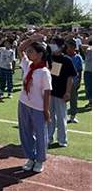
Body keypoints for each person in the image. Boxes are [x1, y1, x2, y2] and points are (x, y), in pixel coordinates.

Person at [17, 35, 52, 173]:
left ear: (40, 54)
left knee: (40, 133)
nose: (29, 53)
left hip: (38, 107)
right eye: (29, 51)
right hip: (24, 103)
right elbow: (20, 49)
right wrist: (32, 39)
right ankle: (30, 157)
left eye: (32, 51)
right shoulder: (28, 65)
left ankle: (40, 160)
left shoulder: (44, 72)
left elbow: (47, 92)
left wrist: (46, 110)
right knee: (25, 132)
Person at [48, 36, 76, 147]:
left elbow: (70, 78)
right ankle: (49, 138)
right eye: (51, 43)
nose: (52, 45)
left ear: (61, 46)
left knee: (61, 117)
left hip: (61, 93)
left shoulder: (66, 60)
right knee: (49, 117)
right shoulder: (48, 58)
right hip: (49, 92)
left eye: (54, 44)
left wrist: (68, 92)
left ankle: (62, 140)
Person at [65, 39, 83, 123]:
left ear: (73, 47)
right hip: (63, 82)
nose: (67, 49)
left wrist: (79, 81)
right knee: (62, 100)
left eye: (69, 47)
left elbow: (80, 70)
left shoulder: (78, 57)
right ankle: (62, 116)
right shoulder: (64, 57)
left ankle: (72, 116)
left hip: (74, 82)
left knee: (73, 99)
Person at [83, 40, 92, 109]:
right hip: (89, 70)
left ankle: (90, 103)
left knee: (89, 87)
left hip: (89, 70)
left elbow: (87, 59)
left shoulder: (89, 49)